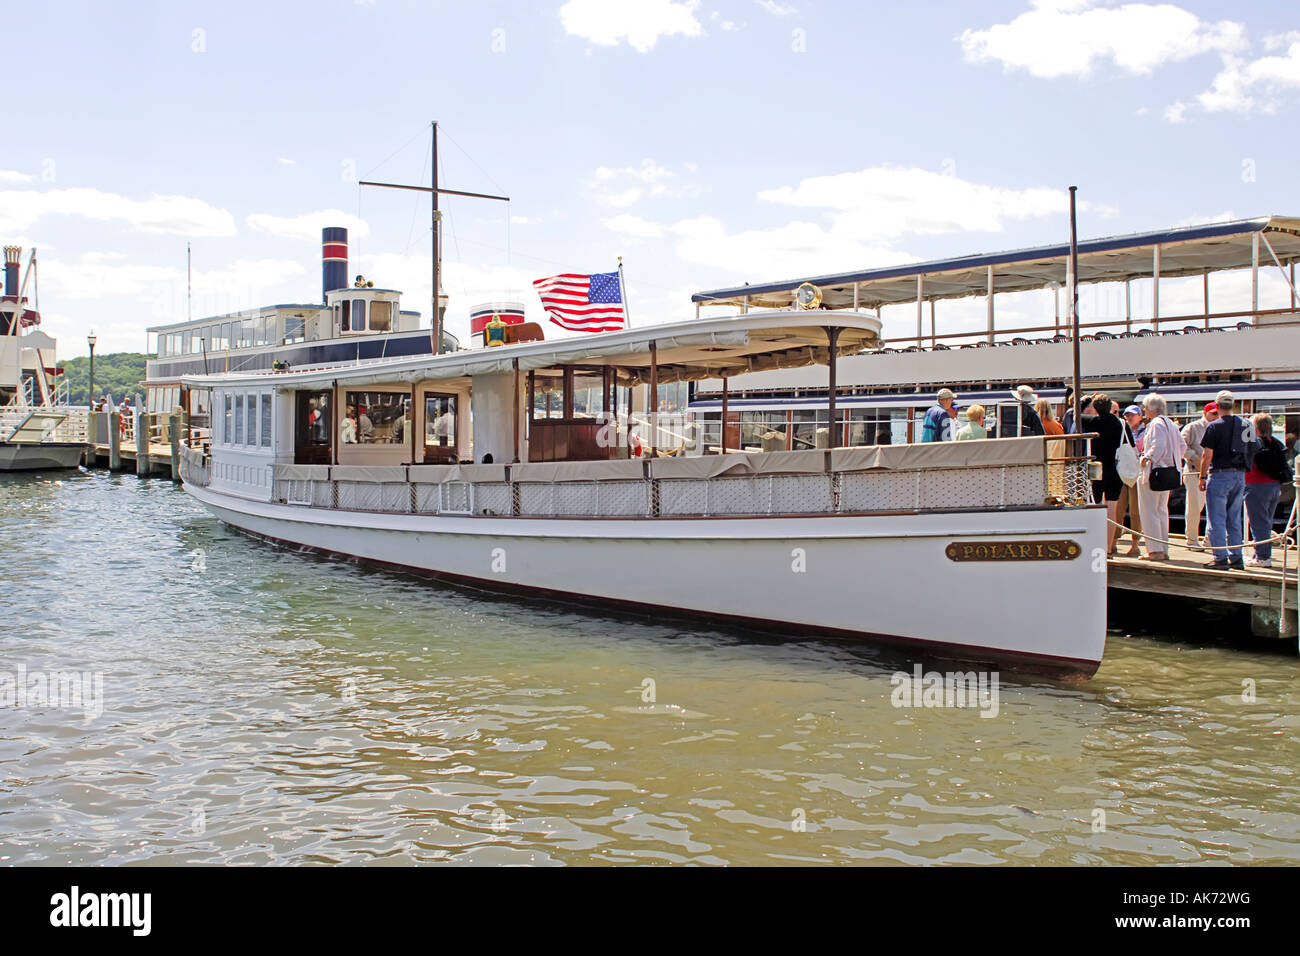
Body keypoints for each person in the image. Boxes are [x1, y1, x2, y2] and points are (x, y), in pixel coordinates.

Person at [1198, 390, 1254, 570]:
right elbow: (1254, 447)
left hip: (1220, 474)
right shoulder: (1245, 424)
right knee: (1234, 518)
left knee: (1217, 518)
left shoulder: (1214, 426)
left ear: (1217, 405)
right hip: (1239, 475)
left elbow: (1207, 455)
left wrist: (1202, 476)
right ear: (1233, 405)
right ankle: (1237, 557)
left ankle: (1220, 557)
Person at [1136, 393, 1186, 561]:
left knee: (1149, 510)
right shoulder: (1170, 423)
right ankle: (1163, 548)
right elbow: (1182, 445)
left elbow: (1159, 444)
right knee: (1161, 511)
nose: (1144, 410)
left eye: (1145, 407)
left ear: (1152, 408)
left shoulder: (1156, 423)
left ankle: (1154, 550)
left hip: (1154, 472)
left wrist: (1147, 458)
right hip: (1169, 472)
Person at [1082, 394, 1131, 556]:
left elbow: (1075, 414)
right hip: (1116, 469)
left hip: (1097, 470)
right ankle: (1109, 548)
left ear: (1095, 408)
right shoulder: (1122, 424)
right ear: (1111, 407)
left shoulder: (1093, 422)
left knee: (1095, 507)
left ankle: (1095, 546)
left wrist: (1087, 400)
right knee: (1112, 508)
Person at [1244, 413, 1291, 568]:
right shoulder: (1274, 442)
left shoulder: (1253, 443)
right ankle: (1259, 554)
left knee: (1258, 523)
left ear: (1255, 428)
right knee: (1266, 522)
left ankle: (1263, 558)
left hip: (1256, 486)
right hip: (1274, 486)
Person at [1180, 402, 1218, 550]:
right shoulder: (1193, 427)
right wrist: (1194, 458)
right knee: (1194, 506)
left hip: (1213, 472)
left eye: (1218, 413)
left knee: (1214, 507)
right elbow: (1181, 445)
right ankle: (1191, 539)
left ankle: (1209, 538)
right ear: (1206, 413)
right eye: (1214, 413)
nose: (1216, 416)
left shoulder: (1219, 427)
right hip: (1194, 471)